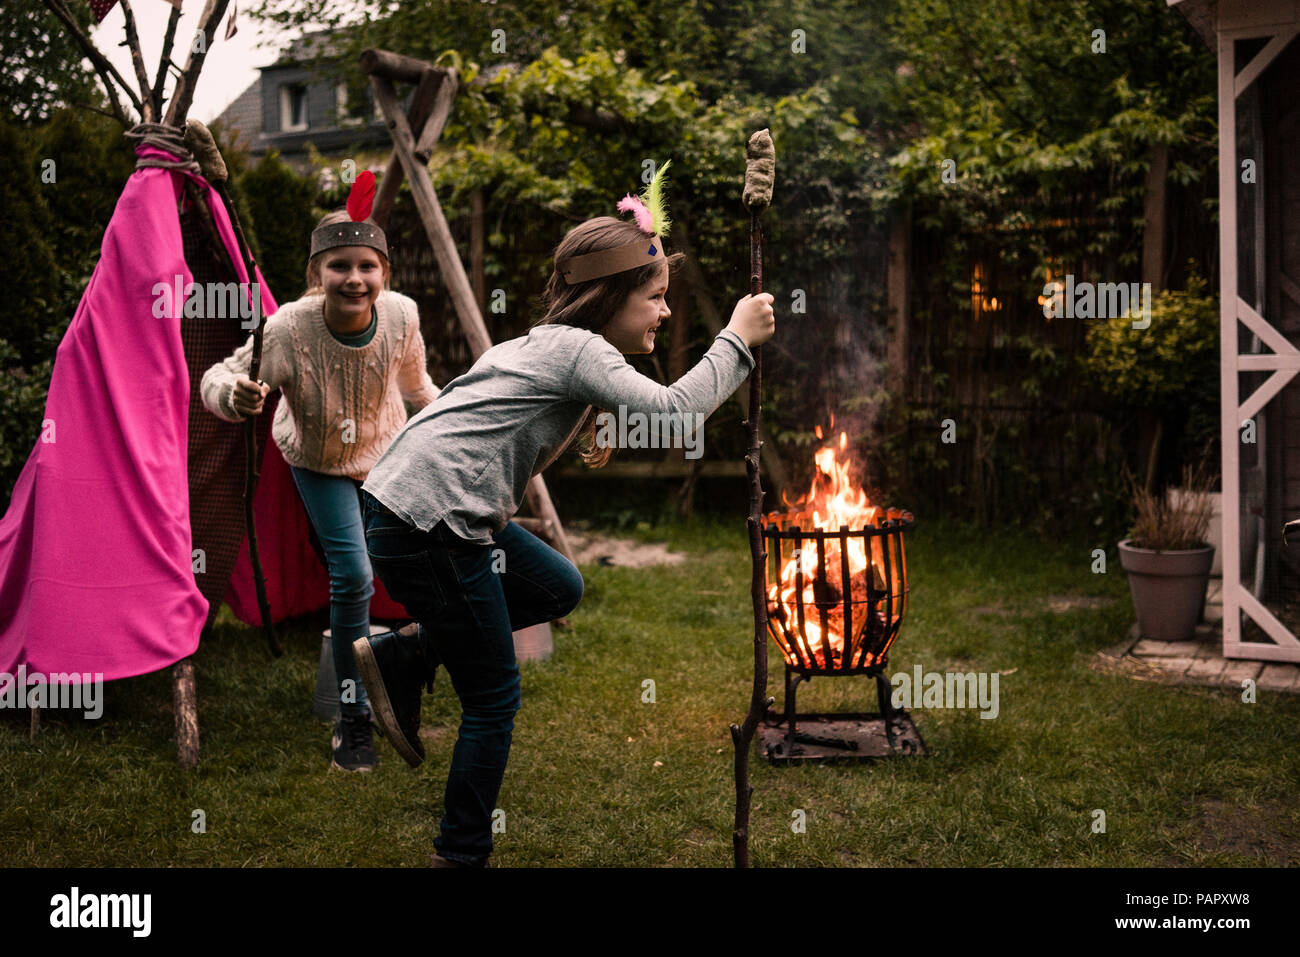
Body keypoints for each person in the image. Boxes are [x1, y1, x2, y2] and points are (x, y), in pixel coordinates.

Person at [353, 167, 776, 867]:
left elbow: (510, 410)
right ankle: (459, 854)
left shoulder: (553, 344)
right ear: (609, 297)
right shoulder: (576, 349)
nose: (664, 312)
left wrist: (596, 416)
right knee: (493, 695)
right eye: (655, 297)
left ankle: (406, 652)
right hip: (432, 521)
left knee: (558, 586)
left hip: (415, 509)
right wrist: (734, 338)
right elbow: (674, 415)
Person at [200, 209, 438, 772]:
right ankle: (352, 722)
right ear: (318, 274)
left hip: (387, 457)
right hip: (319, 461)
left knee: (427, 562)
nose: (354, 278)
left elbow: (419, 386)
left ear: (384, 273)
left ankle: (407, 666)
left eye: (366, 266)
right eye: (339, 266)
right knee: (353, 574)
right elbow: (216, 377)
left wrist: (458, 428)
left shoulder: (402, 316)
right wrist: (234, 395)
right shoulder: (288, 328)